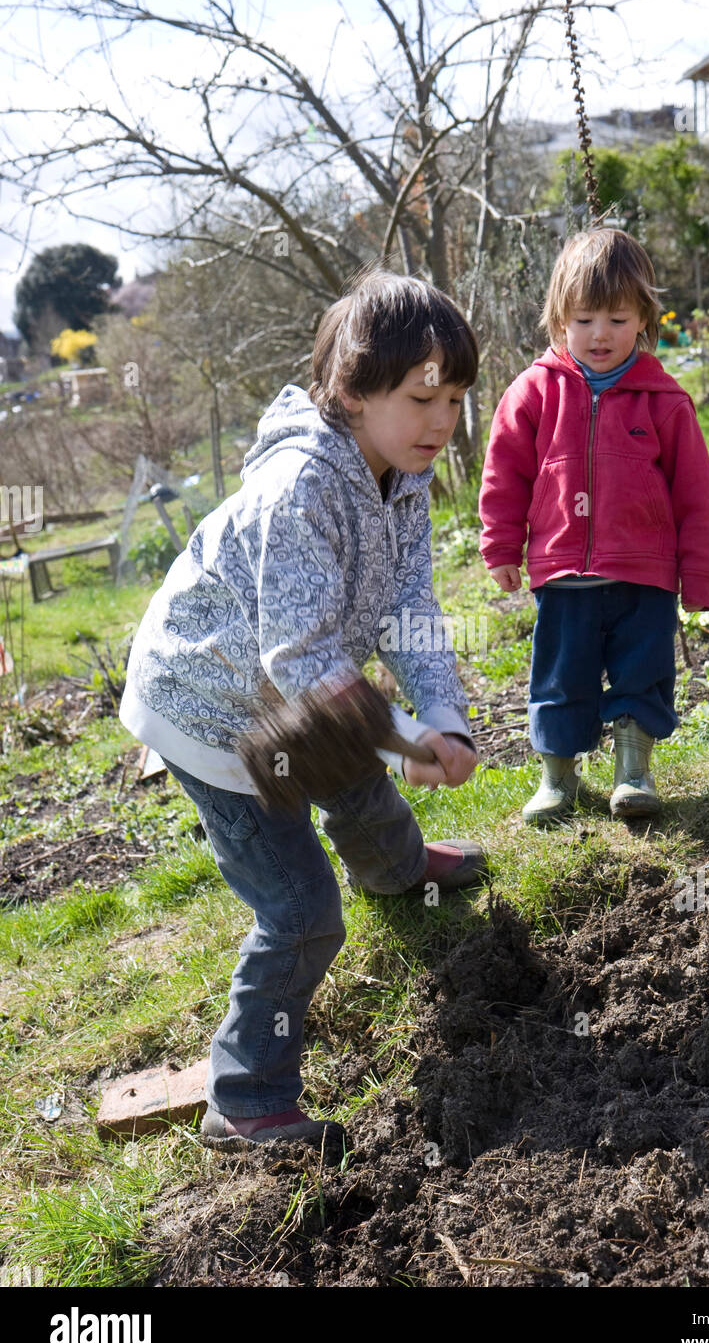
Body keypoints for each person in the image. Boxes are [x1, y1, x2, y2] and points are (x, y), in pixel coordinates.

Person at [119, 270, 486, 1150]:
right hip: (216, 718)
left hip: (292, 696)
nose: (443, 421)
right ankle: (243, 1097)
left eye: (457, 399)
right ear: (354, 394)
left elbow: (410, 601)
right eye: (422, 397)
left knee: (355, 783)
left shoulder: (402, 473)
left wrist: (442, 712)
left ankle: (398, 872)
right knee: (300, 910)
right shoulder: (302, 490)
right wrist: (403, 743)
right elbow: (303, 660)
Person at [478, 228, 709, 826]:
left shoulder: (664, 402)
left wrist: (699, 576)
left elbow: (696, 498)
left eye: (617, 318)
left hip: (646, 577)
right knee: (562, 676)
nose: (600, 334)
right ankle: (557, 778)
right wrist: (502, 544)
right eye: (584, 319)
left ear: (644, 317)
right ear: (560, 319)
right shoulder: (533, 392)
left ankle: (633, 770)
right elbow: (504, 473)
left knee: (644, 670)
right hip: (565, 575)